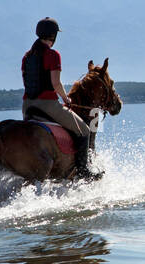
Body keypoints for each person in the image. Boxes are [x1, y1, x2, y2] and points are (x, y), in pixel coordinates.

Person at [21, 17, 102, 180]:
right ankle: (84, 171)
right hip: (47, 105)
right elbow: (56, 83)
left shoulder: (27, 56)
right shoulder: (52, 54)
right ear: (53, 36)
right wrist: (66, 99)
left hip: (27, 106)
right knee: (84, 131)